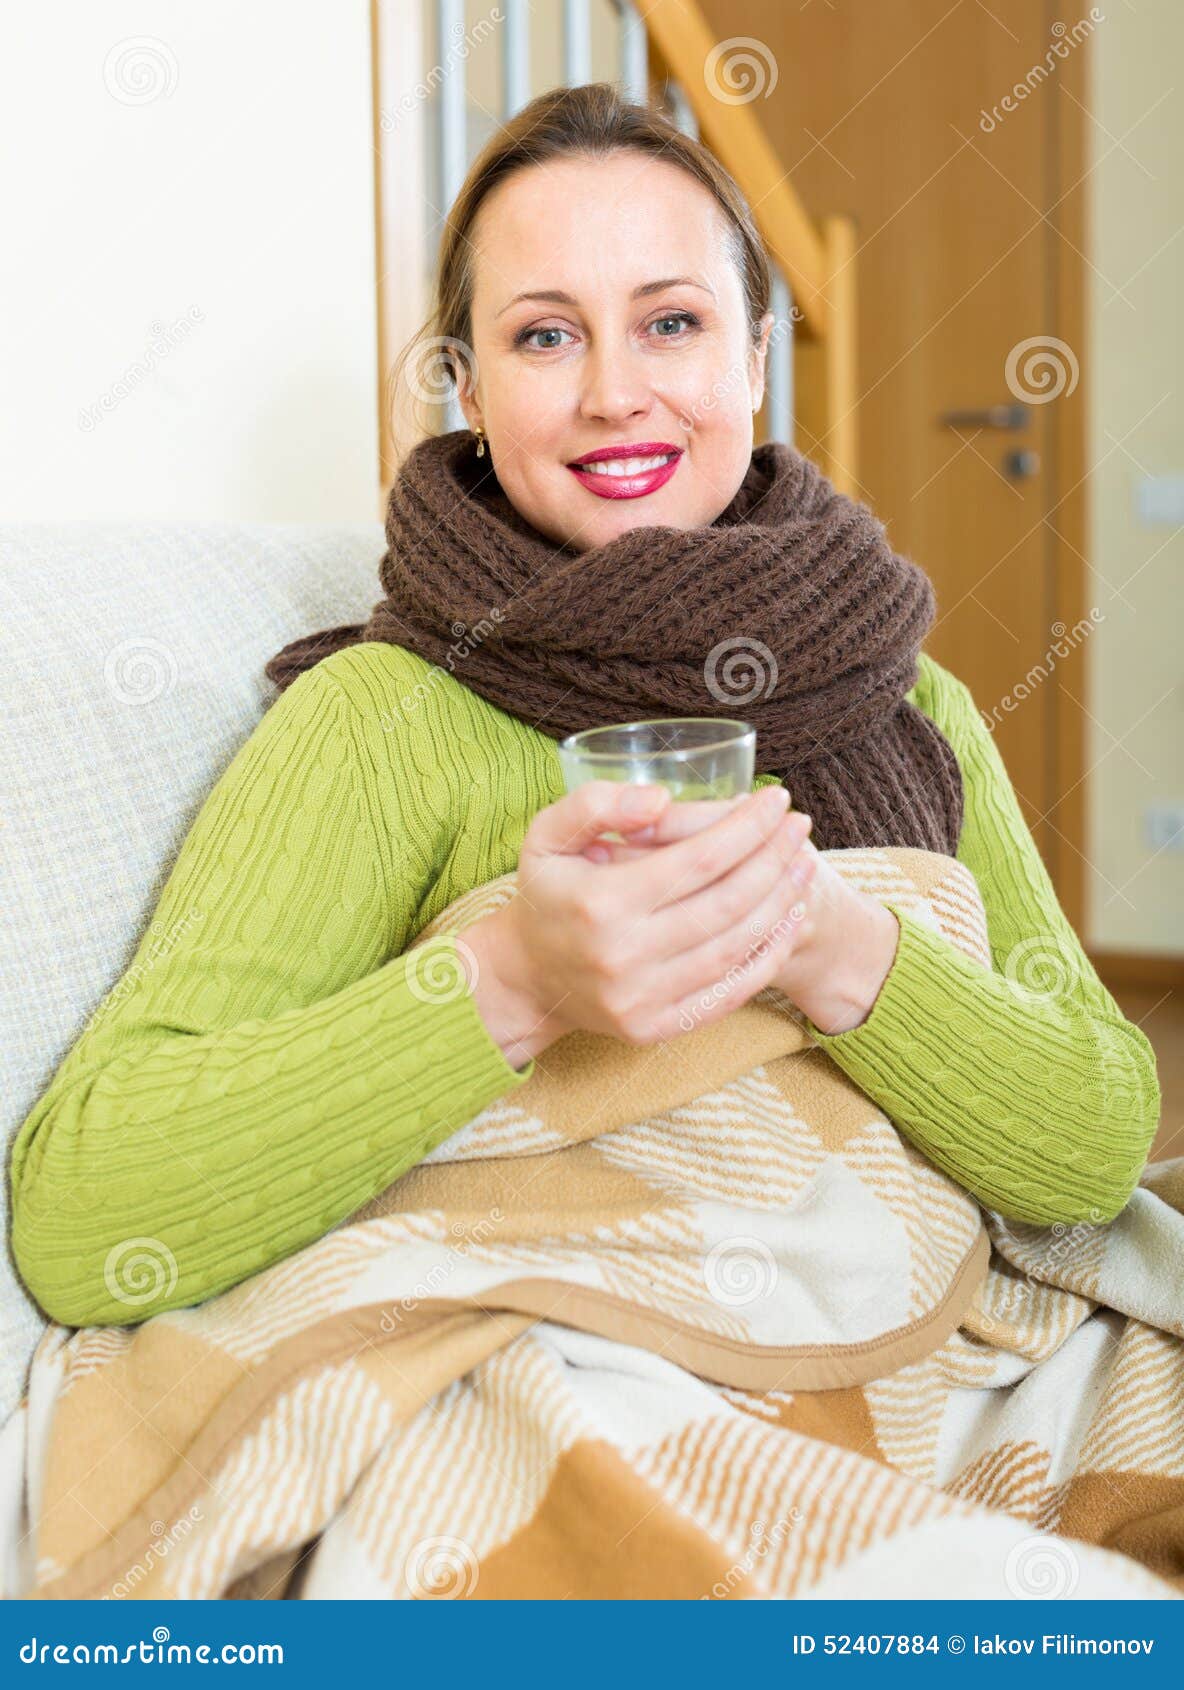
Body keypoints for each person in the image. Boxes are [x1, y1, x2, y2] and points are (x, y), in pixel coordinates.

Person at [10, 84, 1159, 1330]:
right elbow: (85, 1217)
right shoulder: (383, 719)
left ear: (754, 356)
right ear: (468, 386)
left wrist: (822, 941)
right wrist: (512, 981)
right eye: (545, 337)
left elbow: (1092, 1147)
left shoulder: (906, 694)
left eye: (669, 322)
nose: (615, 393)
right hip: (566, 1376)